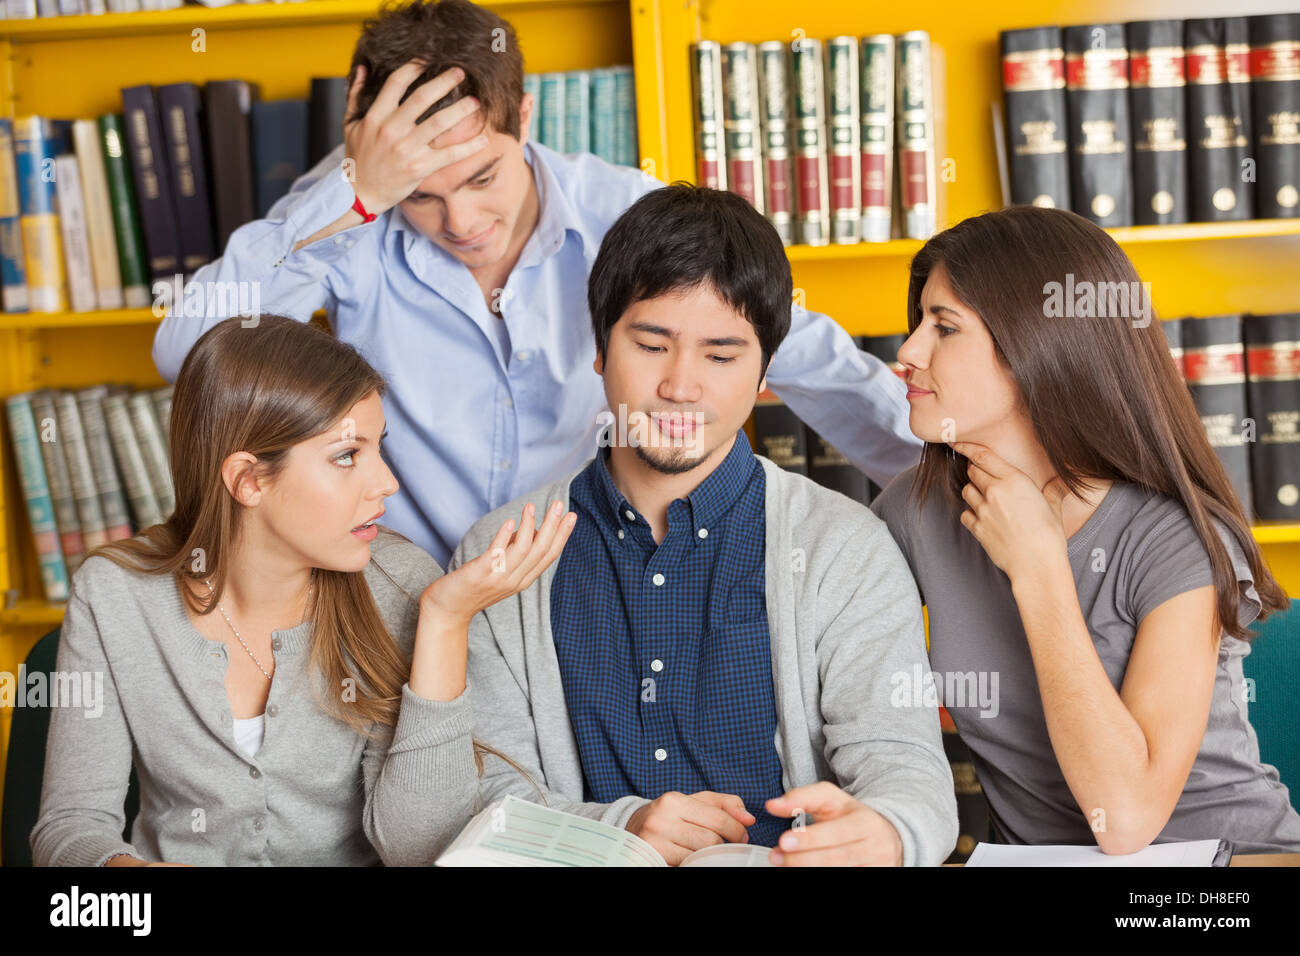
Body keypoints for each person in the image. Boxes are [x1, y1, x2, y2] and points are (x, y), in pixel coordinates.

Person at [150, 0, 920, 569]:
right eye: (422, 194)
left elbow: (811, 359)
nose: (460, 219)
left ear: (525, 113)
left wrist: (953, 489)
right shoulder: (351, 210)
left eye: (483, 175)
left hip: (593, 593)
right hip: (411, 603)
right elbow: (189, 356)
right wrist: (354, 192)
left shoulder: (626, 212)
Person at [454, 184, 958, 867]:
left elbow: (906, 770)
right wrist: (619, 828)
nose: (681, 387)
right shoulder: (501, 551)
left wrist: (890, 833)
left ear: (763, 375)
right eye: (652, 345)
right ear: (599, 348)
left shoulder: (843, 547)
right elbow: (483, 798)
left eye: (721, 357)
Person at [32, 315, 574, 867]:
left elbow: (420, 847)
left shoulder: (399, 583)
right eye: (347, 456)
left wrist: (445, 621)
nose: (387, 482)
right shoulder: (114, 595)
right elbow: (71, 825)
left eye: (378, 448)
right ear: (248, 480)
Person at [870, 204, 1300, 855]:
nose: (907, 352)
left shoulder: (1176, 534)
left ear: (1034, 347)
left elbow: (1124, 821)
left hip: (1226, 869)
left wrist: (1038, 567)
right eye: (918, 323)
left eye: (945, 327)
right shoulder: (918, 508)